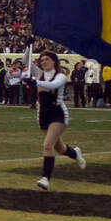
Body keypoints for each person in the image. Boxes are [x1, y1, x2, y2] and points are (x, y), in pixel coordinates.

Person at [23, 51, 85, 190]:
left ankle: (45, 179)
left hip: (58, 113)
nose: (44, 62)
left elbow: (53, 85)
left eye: (47, 59)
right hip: (43, 114)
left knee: (47, 145)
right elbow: (26, 59)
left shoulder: (61, 76)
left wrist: (34, 82)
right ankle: (75, 153)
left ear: (54, 62)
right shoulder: (39, 72)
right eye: (42, 60)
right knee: (60, 148)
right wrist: (28, 46)